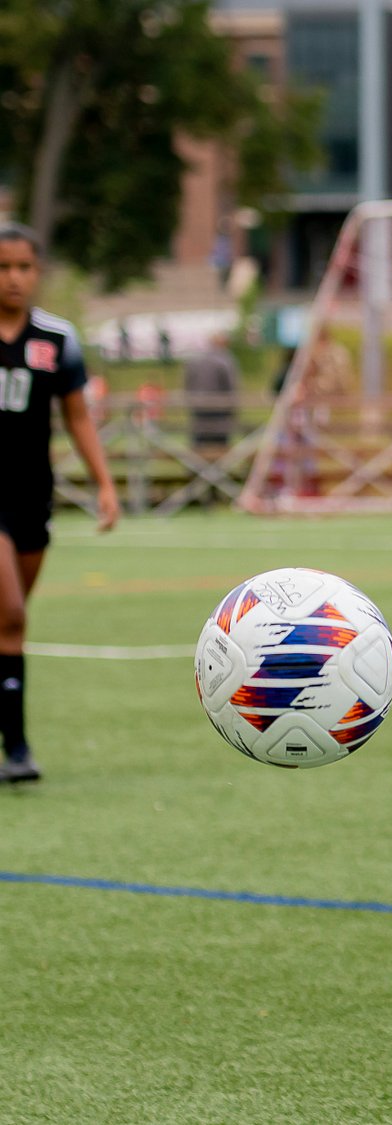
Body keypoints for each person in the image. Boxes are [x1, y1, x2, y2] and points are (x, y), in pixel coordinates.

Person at [0, 223, 120, 783]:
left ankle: (15, 751)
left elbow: (76, 417)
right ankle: (19, 750)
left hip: (31, 496)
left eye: (23, 267)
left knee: (10, 628)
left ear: (38, 271)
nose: (14, 278)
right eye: (3, 268)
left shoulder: (57, 339)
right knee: (11, 613)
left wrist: (105, 483)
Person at [183, 330, 241, 455]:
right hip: (220, 410)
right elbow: (231, 387)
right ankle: (216, 472)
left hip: (198, 408)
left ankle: (198, 470)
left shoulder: (195, 360)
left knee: (199, 445)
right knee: (219, 447)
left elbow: (188, 384)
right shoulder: (226, 360)